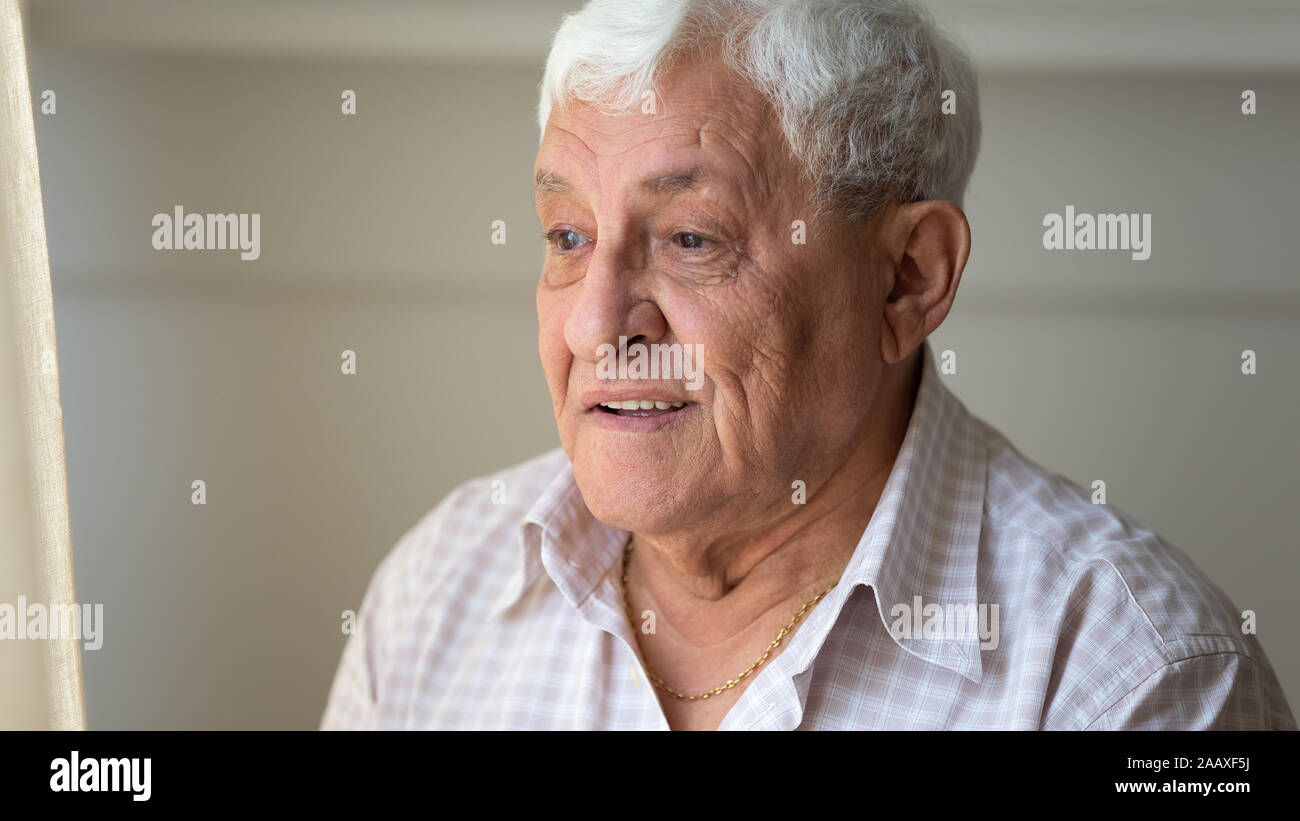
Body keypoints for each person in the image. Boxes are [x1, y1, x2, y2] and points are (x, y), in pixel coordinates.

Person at [322, 0, 1294, 730]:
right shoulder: (435, 591)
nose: (594, 322)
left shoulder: (1139, 675)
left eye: (693, 238)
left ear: (908, 278)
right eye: (567, 233)